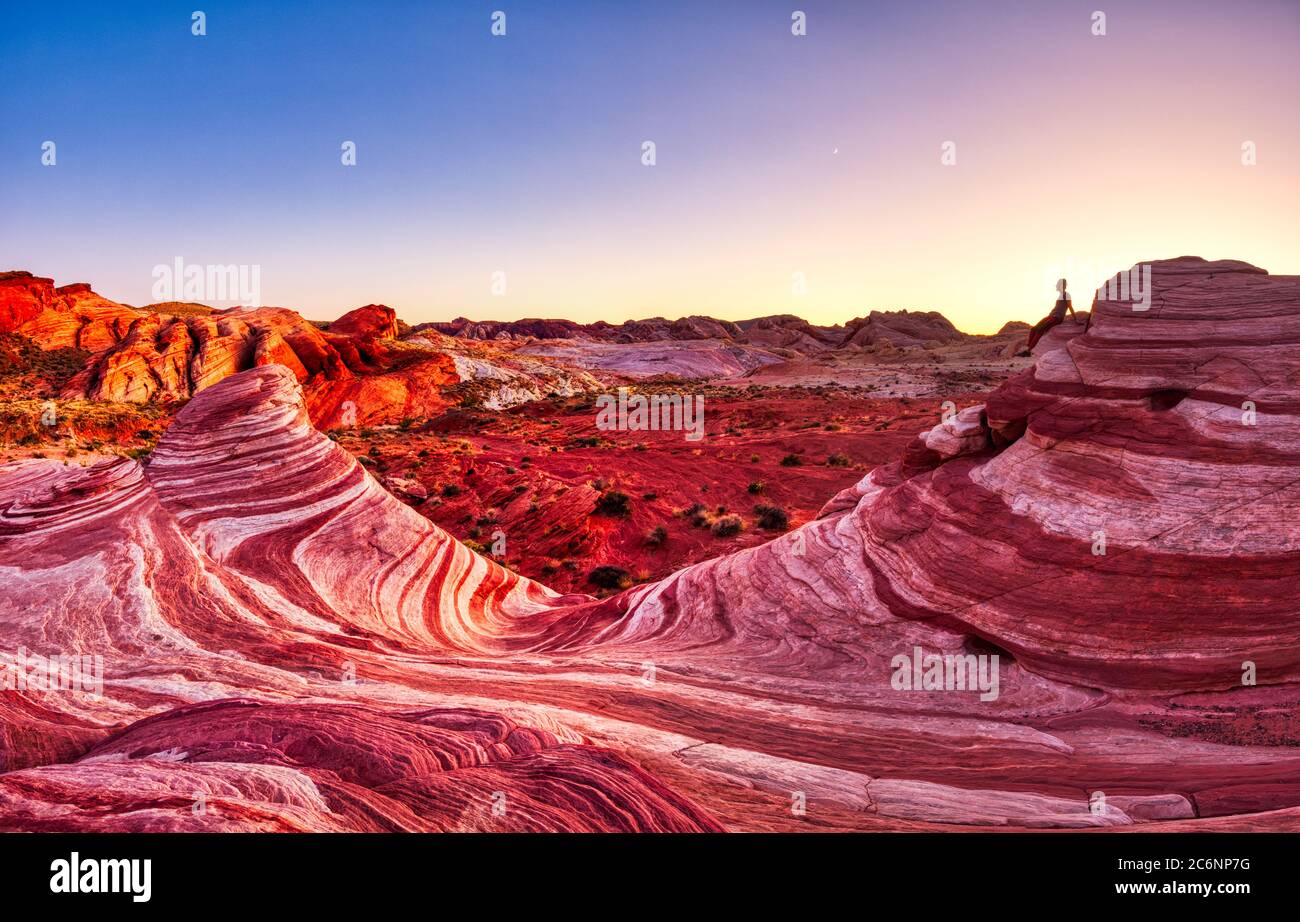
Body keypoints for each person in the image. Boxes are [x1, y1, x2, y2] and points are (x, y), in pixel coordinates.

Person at [1018, 278, 1076, 356]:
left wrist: (1075, 319)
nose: (1056, 286)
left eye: (1058, 284)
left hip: (1057, 317)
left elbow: (1070, 306)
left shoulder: (1066, 294)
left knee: (1040, 330)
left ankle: (1028, 351)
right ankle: (1027, 348)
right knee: (1034, 329)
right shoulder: (1060, 295)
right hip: (1051, 315)